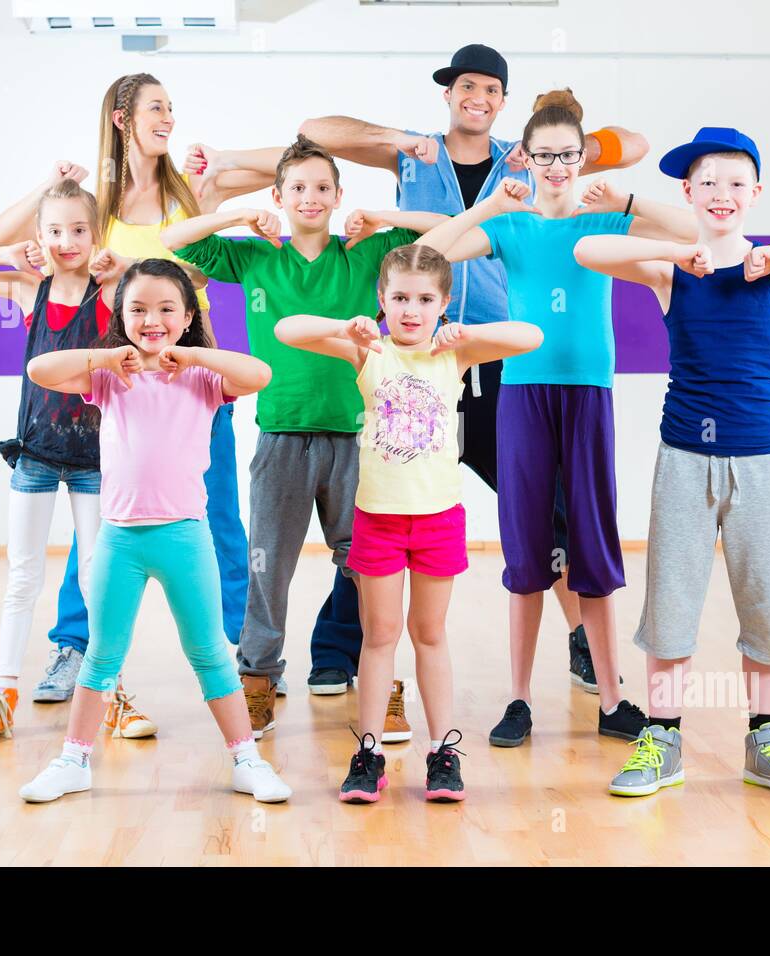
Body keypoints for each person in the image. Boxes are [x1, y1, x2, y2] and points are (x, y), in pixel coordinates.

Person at [299, 44, 650, 693]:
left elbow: (633, 142)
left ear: (503, 101)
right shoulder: (413, 151)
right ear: (449, 93)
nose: (478, 98)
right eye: (467, 86)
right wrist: (399, 138)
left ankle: (581, 642)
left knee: (554, 516)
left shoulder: (526, 159)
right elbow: (316, 132)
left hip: (485, 366)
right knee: (375, 510)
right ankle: (338, 649)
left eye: (491, 89)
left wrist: (556, 147)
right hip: (410, 368)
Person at [573, 127, 770, 798]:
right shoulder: (669, 269)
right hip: (685, 458)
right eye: (707, 183)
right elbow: (586, 247)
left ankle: (766, 737)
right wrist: (673, 248)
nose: (721, 194)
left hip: (762, 461)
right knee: (673, 604)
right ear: (687, 193)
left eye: (736, 183)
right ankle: (663, 739)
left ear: (755, 195)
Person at [163, 137, 448, 740]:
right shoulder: (257, 257)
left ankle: (381, 681)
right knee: (269, 567)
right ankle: (259, 677)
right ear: (280, 196)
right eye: (298, 188)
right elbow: (172, 242)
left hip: (359, 441)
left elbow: (444, 228)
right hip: (281, 439)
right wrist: (240, 215)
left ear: (340, 196)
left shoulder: (367, 254)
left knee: (367, 568)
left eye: (323, 188)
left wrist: (387, 216)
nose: (311, 198)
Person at [18, 259, 290, 804]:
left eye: (167, 308)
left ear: (188, 316)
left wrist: (189, 355)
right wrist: (103, 355)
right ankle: (73, 760)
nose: (152, 319)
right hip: (120, 539)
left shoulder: (204, 377)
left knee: (210, 652)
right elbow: (40, 370)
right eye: (137, 308)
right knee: (101, 654)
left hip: (185, 537)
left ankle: (247, 759)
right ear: (121, 315)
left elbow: (258, 373)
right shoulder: (106, 377)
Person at [276, 244, 542, 802]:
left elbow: (530, 337)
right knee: (380, 636)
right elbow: (287, 331)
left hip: (438, 519)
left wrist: (465, 334)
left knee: (429, 634)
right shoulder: (368, 351)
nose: (411, 310)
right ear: (382, 300)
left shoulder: (453, 355)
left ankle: (443, 753)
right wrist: (347, 326)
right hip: (378, 519)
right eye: (399, 298)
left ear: (443, 303)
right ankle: (368, 753)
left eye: (425, 299)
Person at [0, 179, 125, 744]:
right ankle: (2, 695)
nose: (67, 240)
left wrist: (120, 263)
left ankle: (111, 693)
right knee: (23, 578)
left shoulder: (112, 290)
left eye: (79, 230)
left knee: (98, 577)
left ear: (96, 234)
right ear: (40, 235)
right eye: (55, 230)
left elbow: (177, 277)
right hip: (35, 455)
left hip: (93, 457)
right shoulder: (25, 288)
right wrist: (3, 254)